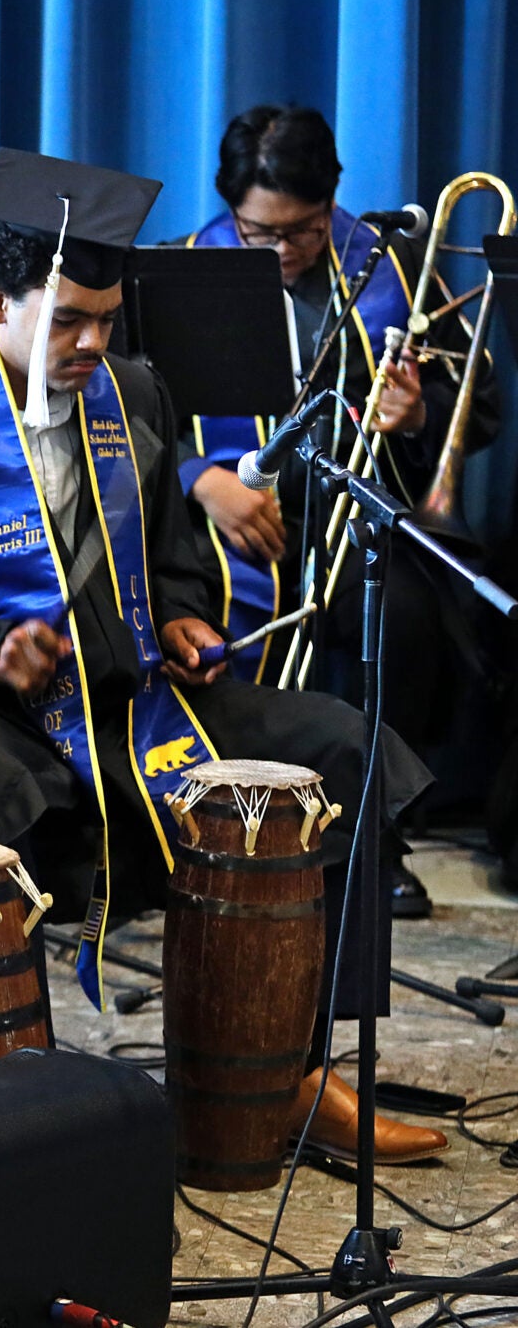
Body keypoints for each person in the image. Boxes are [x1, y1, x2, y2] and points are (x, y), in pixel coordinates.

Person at [0, 150, 443, 1162]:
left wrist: (186, 621)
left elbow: (174, 557)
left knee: (339, 747)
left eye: (104, 318)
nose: (90, 342)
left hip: (129, 691)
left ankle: (293, 1073)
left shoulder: (132, 391)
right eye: (65, 318)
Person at [183, 105, 496, 915]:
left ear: (332, 205)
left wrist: (418, 410)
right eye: (261, 232)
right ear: (229, 209)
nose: (282, 251)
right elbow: (128, 413)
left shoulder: (392, 265)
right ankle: (221, 832)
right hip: (224, 525)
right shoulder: (187, 271)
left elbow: (477, 400)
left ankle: (371, 844)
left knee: (402, 620)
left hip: (358, 517)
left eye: (303, 229)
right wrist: (198, 479)